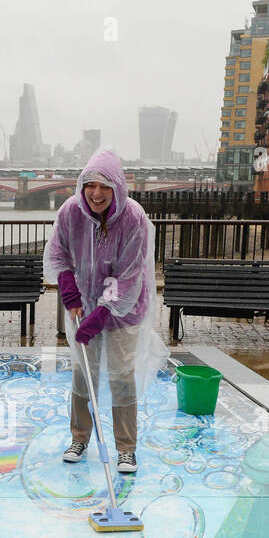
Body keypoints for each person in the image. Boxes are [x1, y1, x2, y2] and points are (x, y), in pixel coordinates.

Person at [44, 148, 166, 474]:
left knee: (122, 377)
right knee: (83, 373)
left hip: (124, 313)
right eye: (90, 185)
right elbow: (58, 254)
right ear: (82, 186)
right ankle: (79, 438)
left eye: (105, 186)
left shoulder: (134, 218)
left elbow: (129, 275)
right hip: (82, 308)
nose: (96, 193)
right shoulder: (71, 212)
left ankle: (126, 448)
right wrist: (70, 290)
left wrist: (104, 311)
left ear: (117, 188)